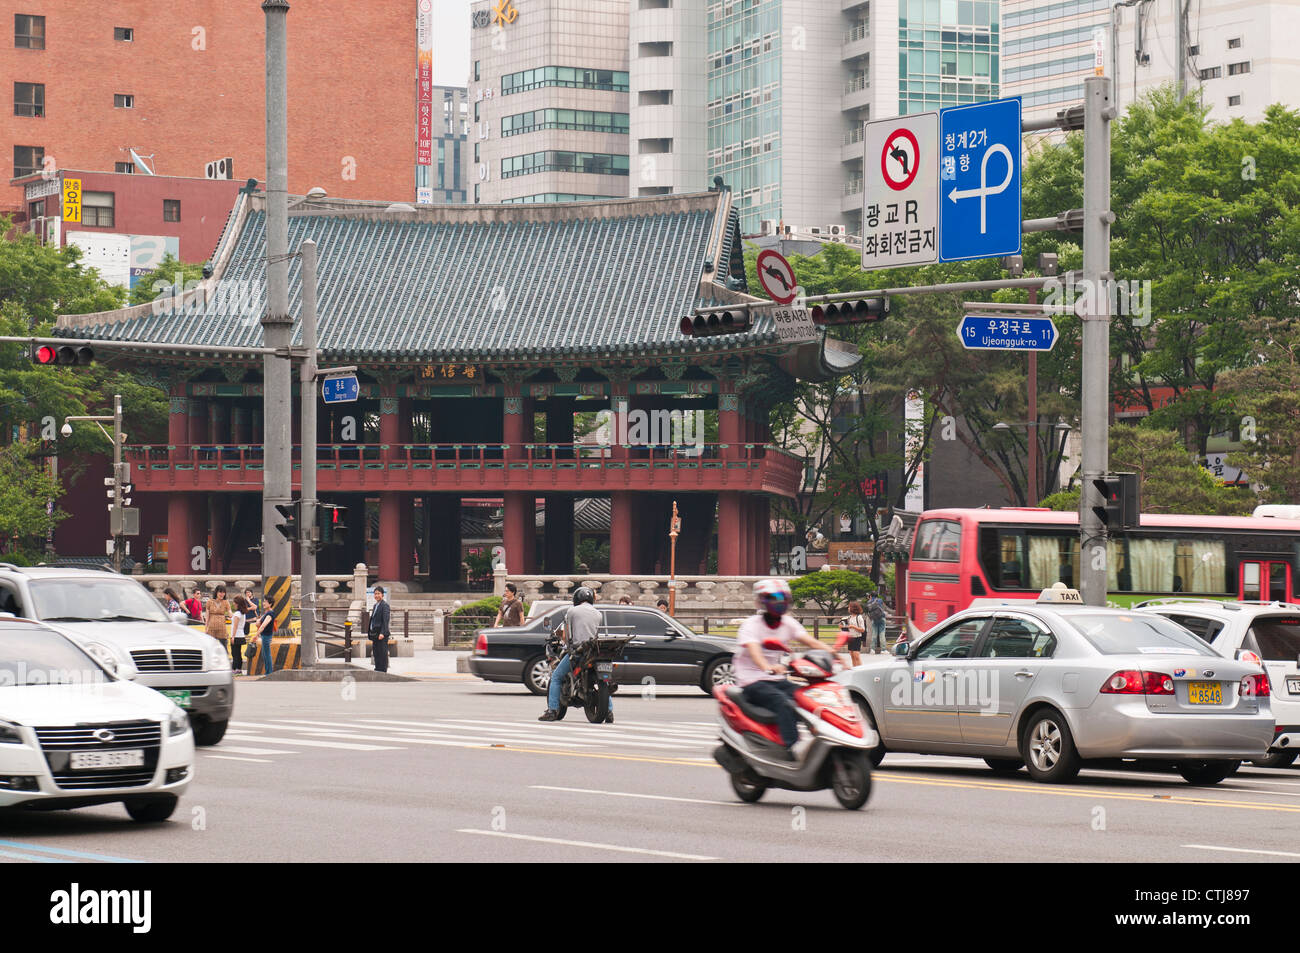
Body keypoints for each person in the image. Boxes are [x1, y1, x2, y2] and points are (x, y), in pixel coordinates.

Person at [734, 579, 823, 759]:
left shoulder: (787, 623)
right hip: (752, 680)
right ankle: (792, 748)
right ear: (762, 601)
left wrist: (833, 654)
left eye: (782, 598)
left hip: (775, 679)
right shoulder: (751, 625)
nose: (778, 602)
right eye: (773, 598)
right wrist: (767, 666)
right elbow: (755, 651)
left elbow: (808, 640)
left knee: (809, 697)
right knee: (783, 702)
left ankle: (821, 738)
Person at [539, 586, 610, 723]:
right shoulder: (598, 613)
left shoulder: (572, 611)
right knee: (603, 680)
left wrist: (565, 642)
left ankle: (552, 711)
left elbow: (566, 634)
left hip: (578, 651)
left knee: (556, 677)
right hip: (594, 651)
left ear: (577, 598)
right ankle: (609, 711)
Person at [204, 586, 231, 660]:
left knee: (224, 645)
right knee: (210, 646)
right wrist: (206, 628)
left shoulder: (226, 602)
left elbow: (229, 611)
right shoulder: (210, 602)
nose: (222, 594)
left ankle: (225, 662)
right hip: (211, 627)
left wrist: (231, 614)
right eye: (220, 592)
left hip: (222, 627)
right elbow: (207, 616)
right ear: (216, 592)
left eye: (223, 592)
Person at [369, 585, 391, 673]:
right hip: (375, 633)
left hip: (382, 633)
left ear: (382, 595)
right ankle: (377, 668)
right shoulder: (375, 605)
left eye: (378, 593)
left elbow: (385, 620)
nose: (376, 595)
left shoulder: (384, 605)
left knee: (382, 652)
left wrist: (382, 632)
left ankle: (383, 669)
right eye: (375, 594)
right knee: (376, 652)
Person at [254, 596, 277, 675]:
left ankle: (269, 673)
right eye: (263, 601)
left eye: (265, 602)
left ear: (270, 604)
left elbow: (263, 626)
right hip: (264, 636)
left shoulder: (270, 614)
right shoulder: (266, 613)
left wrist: (256, 635)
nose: (263, 603)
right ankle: (268, 672)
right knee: (265, 655)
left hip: (267, 637)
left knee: (267, 655)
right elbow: (259, 623)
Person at [230, 595, 249, 673]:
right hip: (241, 635)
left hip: (236, 635)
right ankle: (239, 668)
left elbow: (235, 626)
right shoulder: (242, 613)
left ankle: (235, 669)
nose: (233, 604)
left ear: (237, 603)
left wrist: (233, 637)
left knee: (235, 653)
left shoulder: (237, 613)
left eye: (234, 602)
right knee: (238, 653)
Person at [844, 600, 866, 667]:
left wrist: (853, 626)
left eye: (849, 607)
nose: (848, 608)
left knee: (856, 655)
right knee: (852, 655)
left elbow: (862, 630)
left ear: (853, 608)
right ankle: (854, 669)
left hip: (857, 638)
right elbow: (847, 628)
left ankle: (860, 670)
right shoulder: (849, 617)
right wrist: (842, 626)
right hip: (850, 638)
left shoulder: (859, 617)